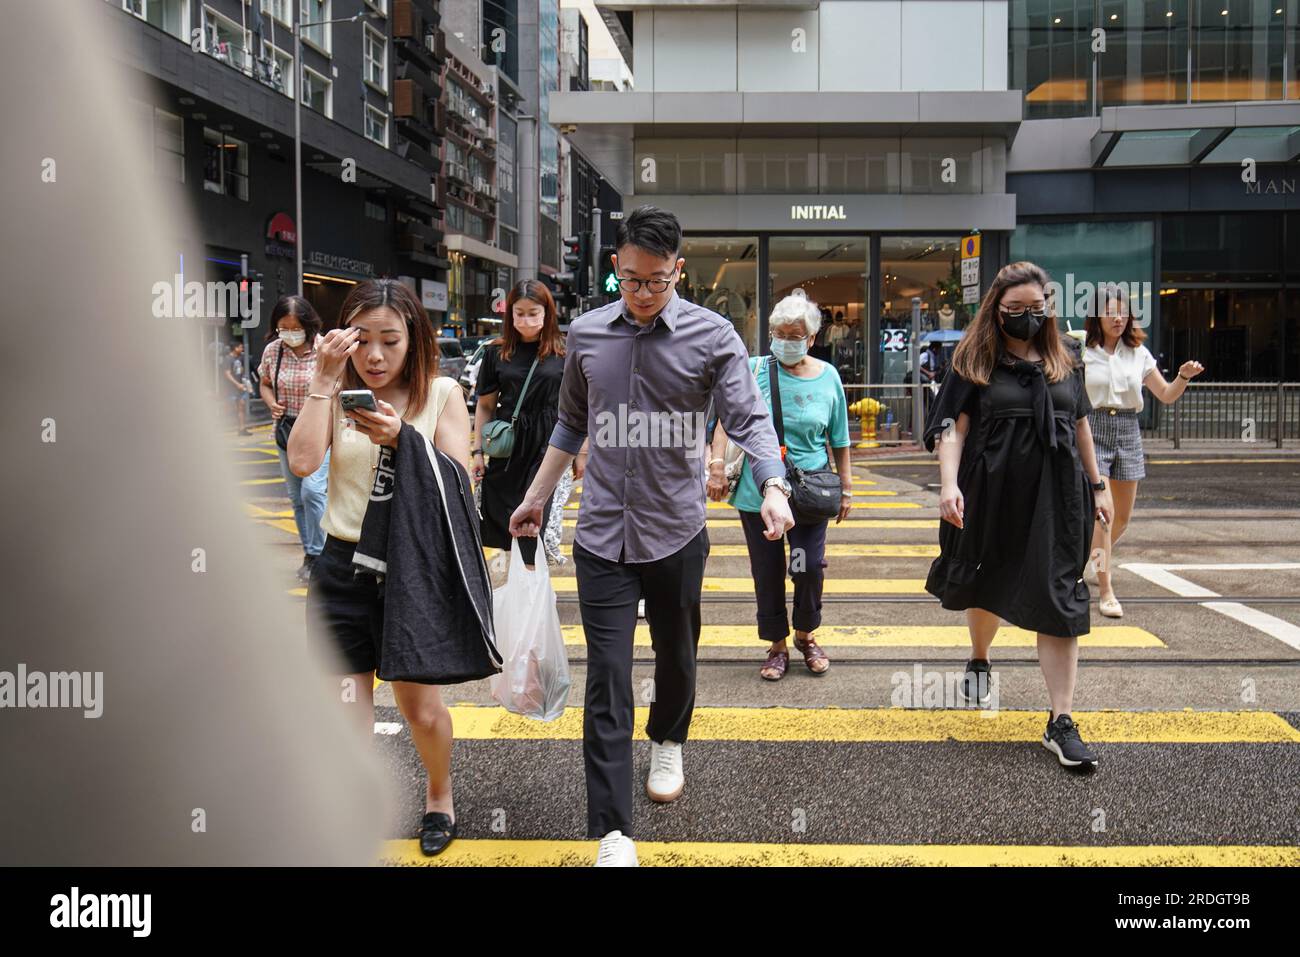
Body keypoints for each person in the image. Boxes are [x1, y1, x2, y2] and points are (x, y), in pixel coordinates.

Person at [507, 205, 795, 866]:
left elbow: (748, 417)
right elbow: (570, 426)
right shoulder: (585, 334)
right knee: (607, 676)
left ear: (679, 272)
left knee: (676, 657)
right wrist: (536, 497)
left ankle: (668, 737)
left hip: (676, 531)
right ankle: (612, 829)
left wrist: (773, 484)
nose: (643, 293)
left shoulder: (713, 335)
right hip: (602, 534)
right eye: (633, 278)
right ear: (617, 266)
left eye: (658, 281)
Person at [287, 278, 475, 857]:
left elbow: (460, 483)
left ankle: (438, 796)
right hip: (341, 568)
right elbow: (301, 461)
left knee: (420, 709)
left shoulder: (441, 394)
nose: (373, 355)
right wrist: (321, 381)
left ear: (413, 338)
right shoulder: (335, 393)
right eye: (361, 339)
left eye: (389, 341)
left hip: (409, 571)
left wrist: (403, 442)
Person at [924, 261, 1114, 769]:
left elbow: (1079, 424)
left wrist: (1098, 486)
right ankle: (980, 657)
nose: (1027, 317)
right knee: (986, 582)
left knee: (1060, 596)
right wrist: (948, 485)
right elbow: (952, 429)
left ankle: (1061, 721)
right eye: (1015, 310)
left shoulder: (1065, 355)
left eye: (1036, 308)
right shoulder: (974, 357)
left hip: (1057, 496)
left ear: (1048, 307)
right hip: (989, 491)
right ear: (996, 310)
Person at [707, 289, 852, 681]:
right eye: (780, 333)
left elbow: (839, 439)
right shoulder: (753, 370)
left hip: (809, 496)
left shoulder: (828, 378)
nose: (786, 341)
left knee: (807, 567)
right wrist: (717, 465)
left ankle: (806, 634)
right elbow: (725, 420)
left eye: (795, 335)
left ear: (812, 338)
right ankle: (777, 645)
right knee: (766, 570)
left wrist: (847, 489)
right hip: (758, 494)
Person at [1083, 286, 1204, 618]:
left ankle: (1091, 560)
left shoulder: (1139, 353)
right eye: (1111, 312)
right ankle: (1106, 591)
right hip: (1092, 429)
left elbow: (1165, 394)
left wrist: (1183, 376)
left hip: (1128, 430)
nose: (1118, 318)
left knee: (1121, 519)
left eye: (1123, 312)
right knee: (1103, 517)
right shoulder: (1082, 352)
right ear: (1097, 316)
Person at [471, 280, 578, 571]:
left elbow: (581, 406)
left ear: (547, 313)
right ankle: (517, 587)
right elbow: (486, 405)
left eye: (533, 313)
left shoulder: (565, 352)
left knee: (536, 520)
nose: (526, 320)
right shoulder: (497, 352)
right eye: (519, 313)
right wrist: (478, 452)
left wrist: (580, 453)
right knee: (505, 521)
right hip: (508, 447)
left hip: (549, 444)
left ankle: (532, 583)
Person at [259, 296, 330, 583]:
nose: (288, 333)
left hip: (319, 431)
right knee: (296, 499)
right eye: (282, 328)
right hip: (286, 432)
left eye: (294, 327)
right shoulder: (273, 352)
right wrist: (271, 402)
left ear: (308, 325)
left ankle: (325, 556)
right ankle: (311, 555)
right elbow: (264, 384)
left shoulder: (325, 348)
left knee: (312, 492)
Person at [224, 341, 253, 435]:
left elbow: (242, 371)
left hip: (240, 387)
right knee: (232, 408)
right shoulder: (228, 359)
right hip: (231, 388)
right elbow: (227, 374)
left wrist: (245, 384)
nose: (242, 349)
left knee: (241, 406)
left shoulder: (240, 358)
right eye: (240, 347)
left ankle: (242, 428)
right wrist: (237, 384)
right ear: (235, 348)